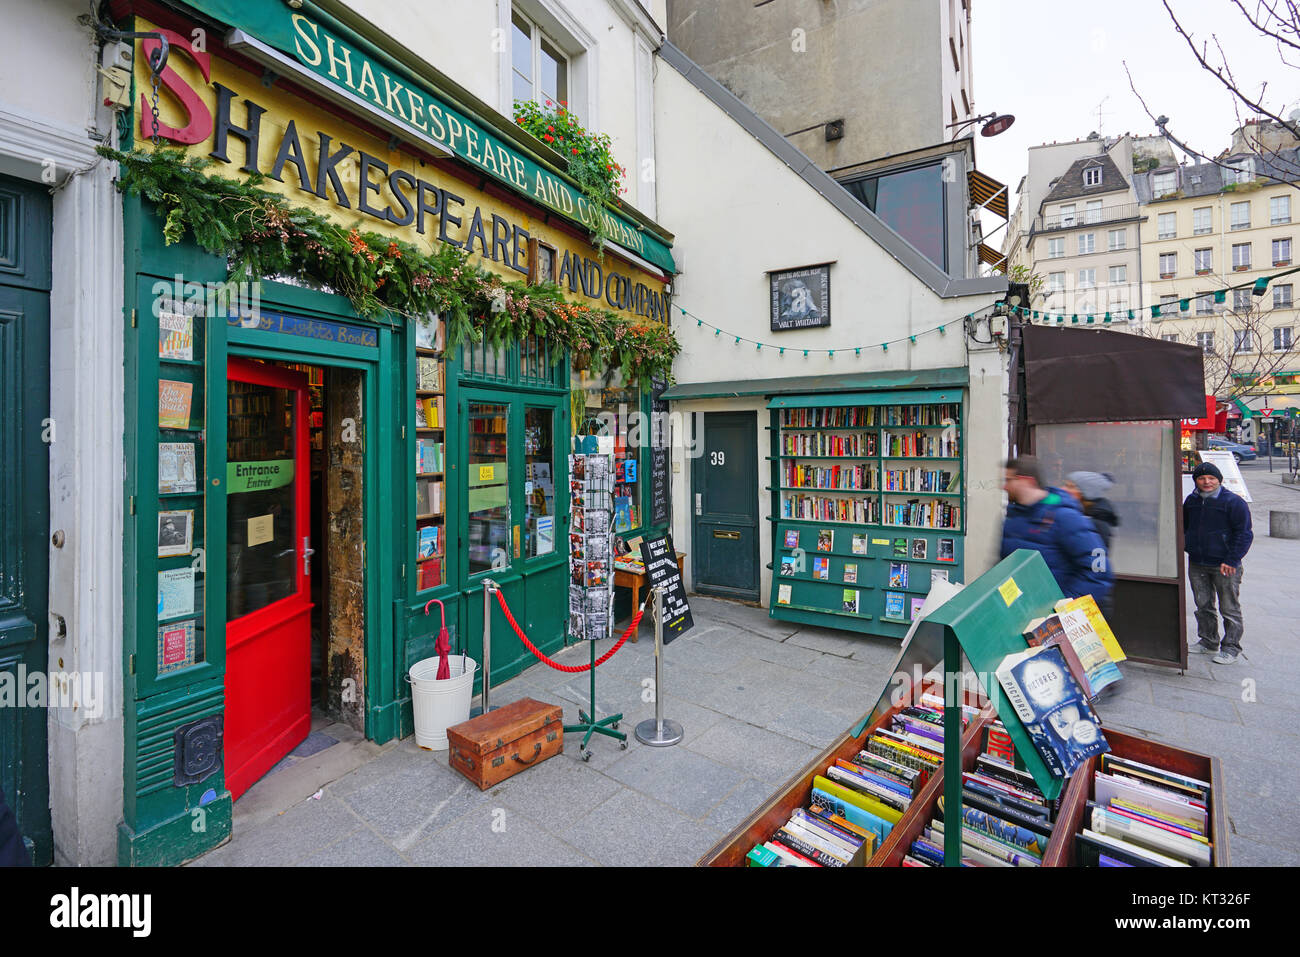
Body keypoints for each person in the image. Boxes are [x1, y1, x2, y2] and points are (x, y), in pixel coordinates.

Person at [1001, 457, 1112, 606]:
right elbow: (1004, 570)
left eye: (1009, 480)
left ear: (1026, 480)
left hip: (1056, 620)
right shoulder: (1013, 517)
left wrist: (1062, 608)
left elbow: (1098, 572)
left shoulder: (1065, 517)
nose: (1004, 487)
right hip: (1023, 614)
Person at [1183, 461, 1253, 664]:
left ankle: (1231, 647)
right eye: (1202, 478)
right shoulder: (1191, 501)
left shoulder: (1233, 502)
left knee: (1229, 607)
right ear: (1195, 480)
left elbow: (1244, 533)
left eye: (1211, 478)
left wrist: (1232, 559)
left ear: (1219, 480)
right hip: (1197, 561)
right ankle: (1208, 641)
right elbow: (1185, 527)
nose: (1207, 482)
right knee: (1202, 604)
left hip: (1225, 564)